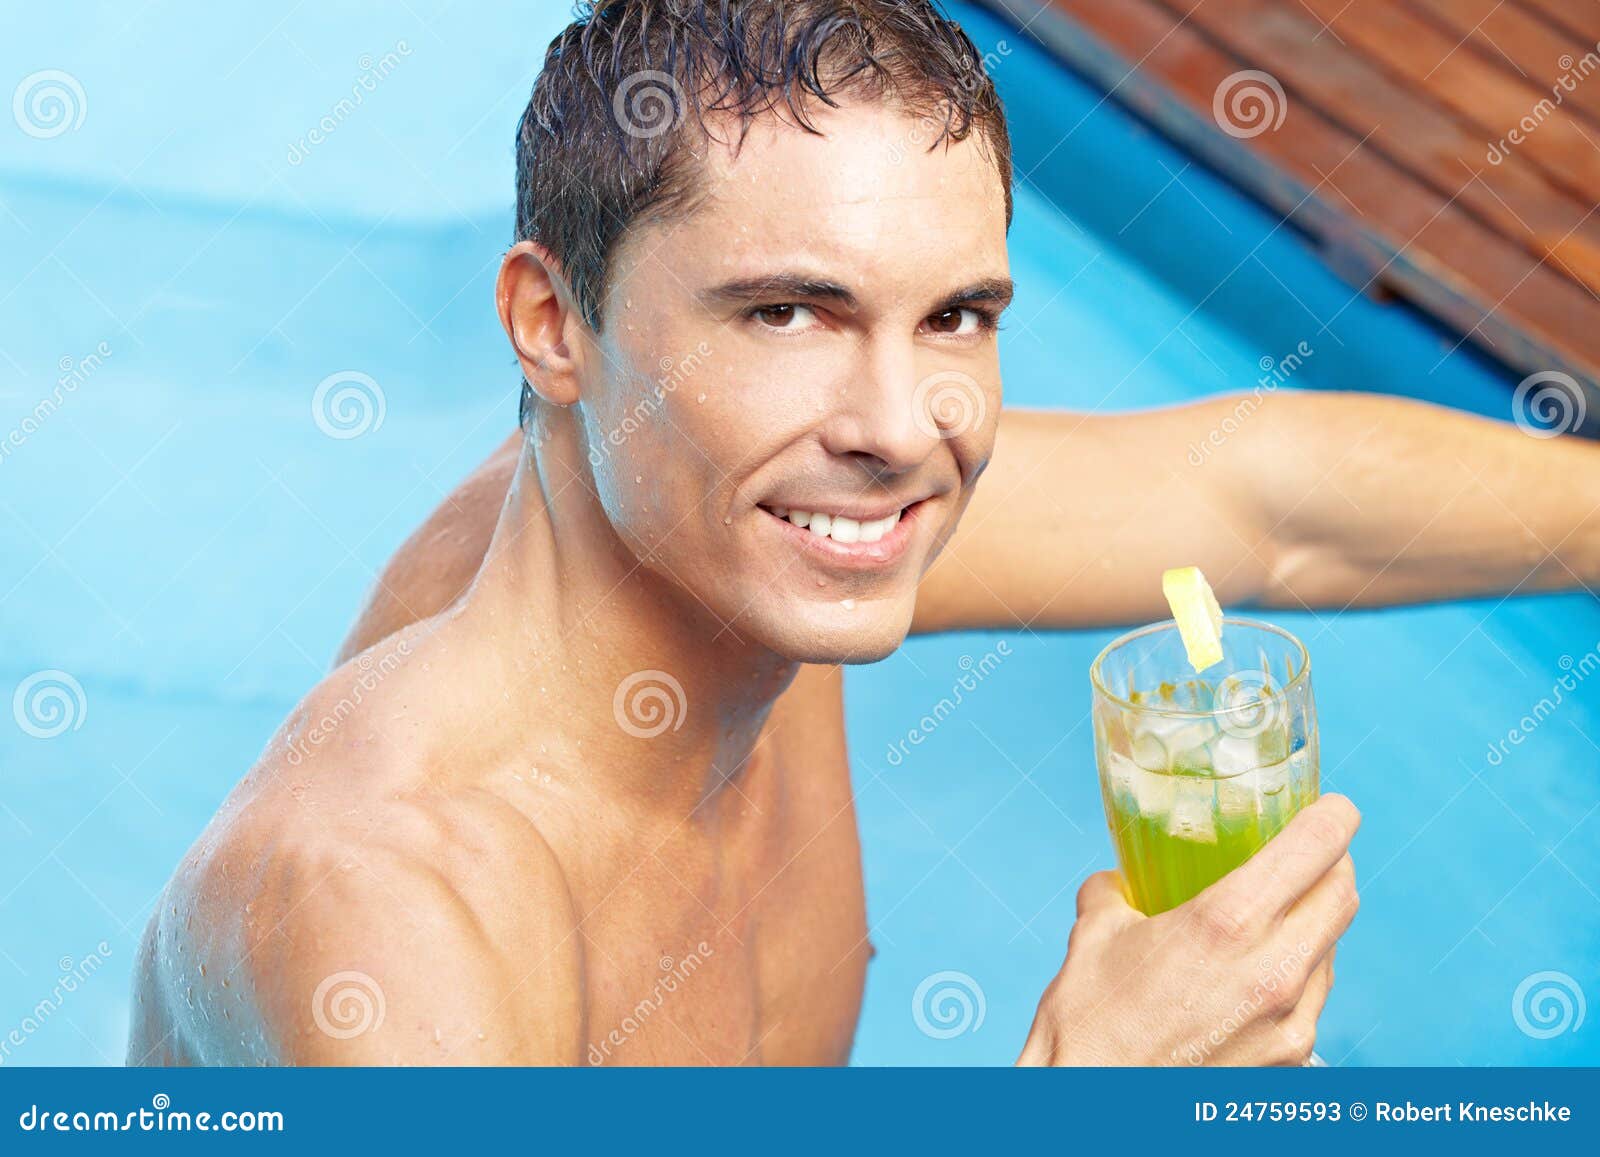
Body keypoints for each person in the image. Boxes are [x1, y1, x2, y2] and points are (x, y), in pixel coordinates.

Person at [129, 0, 1596, 1066]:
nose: (901, 429)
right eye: (787, 311)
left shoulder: (766, 526)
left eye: (956, 314)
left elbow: (1262, 503)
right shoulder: (396, 922)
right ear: (551, 322)